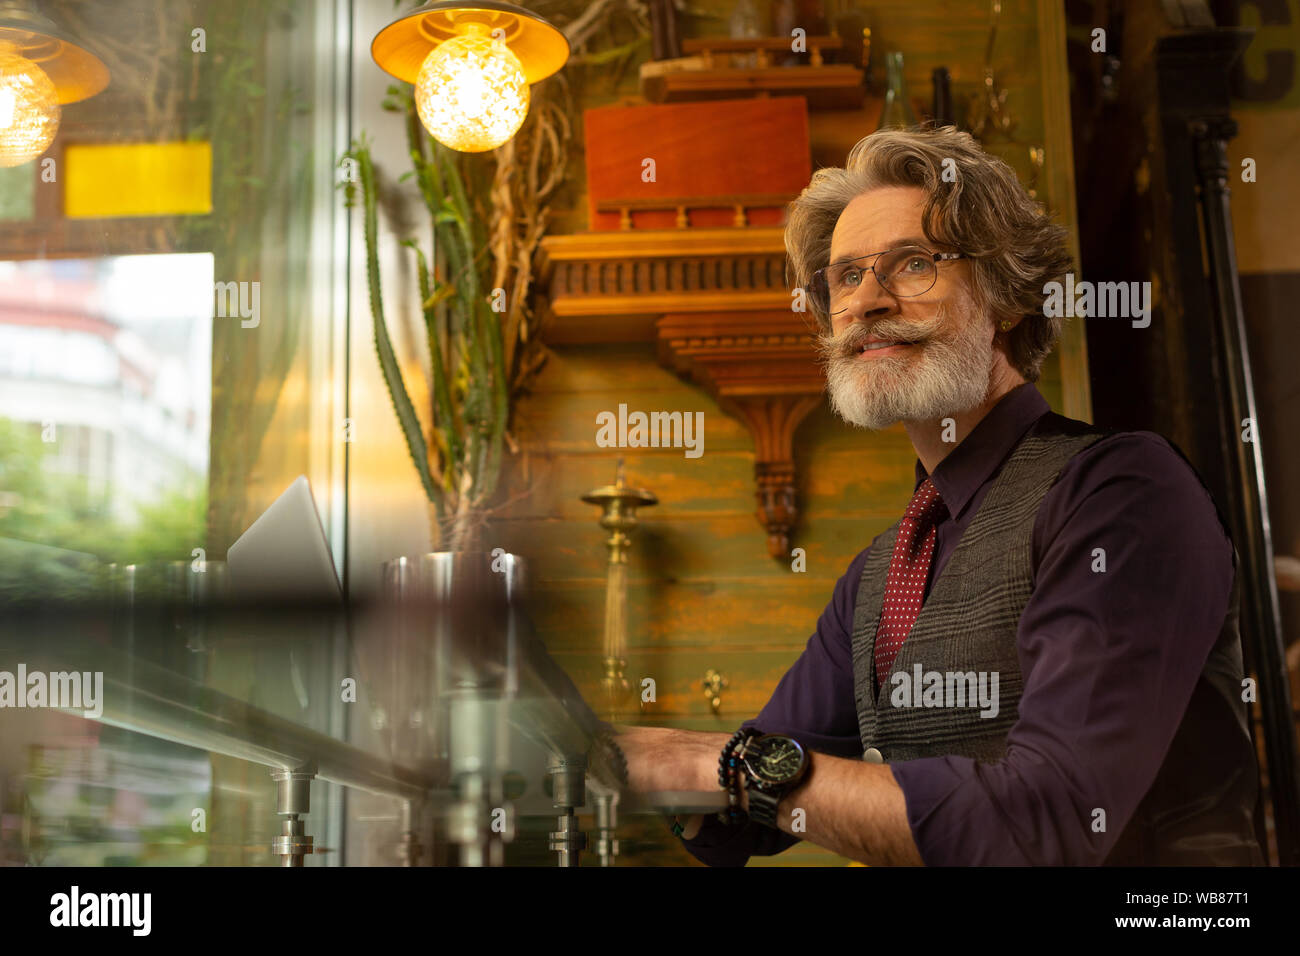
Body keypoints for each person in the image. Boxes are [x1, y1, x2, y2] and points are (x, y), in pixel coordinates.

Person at [614, 126, 1262, 866]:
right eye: (845, 277)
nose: (866, 301)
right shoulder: (878, 573)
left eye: (914, 264)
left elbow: (1044, 825)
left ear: (1007, 297)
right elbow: (746, 818)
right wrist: (596, 754)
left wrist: (717, 768)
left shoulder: (1122, 494)